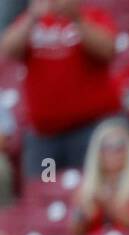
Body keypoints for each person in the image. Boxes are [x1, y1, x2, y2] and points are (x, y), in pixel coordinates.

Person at [0, 0, 120, 177]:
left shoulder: (91, 14)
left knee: (85, 186)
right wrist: (32, 18)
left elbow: (108, 50)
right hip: (45, 136)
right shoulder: (33, 19)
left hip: (88, 129)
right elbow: (9, 50)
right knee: (46, 189)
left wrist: (77, 19)